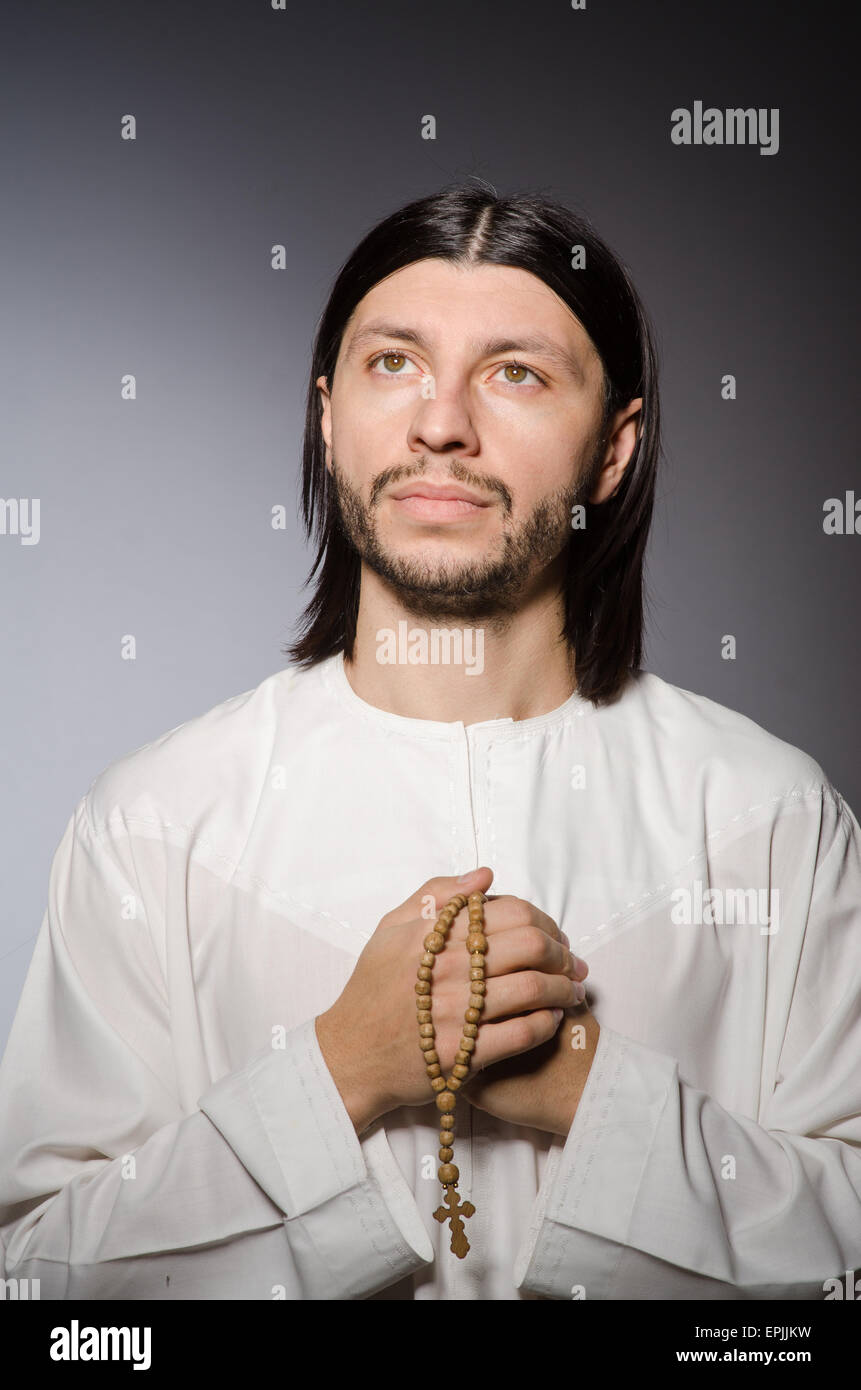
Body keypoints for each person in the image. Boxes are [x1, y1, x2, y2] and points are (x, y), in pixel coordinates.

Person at [1, 183, 859, 1301]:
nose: (440, 423)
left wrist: (590, 1095)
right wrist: (342, 1068)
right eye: (394, 362)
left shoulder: (769, 818)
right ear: (328, 419)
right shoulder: (154, 823)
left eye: (517, 373)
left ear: (614, 448)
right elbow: (42, 1283)